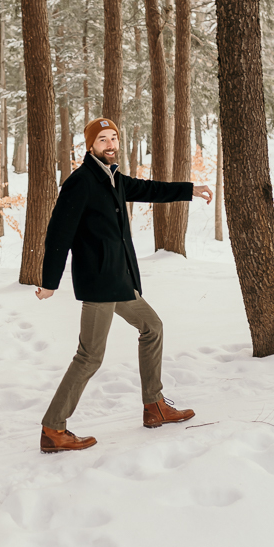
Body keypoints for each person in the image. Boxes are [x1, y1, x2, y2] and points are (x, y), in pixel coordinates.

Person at [36, 117, 212, 453]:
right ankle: (54, 428)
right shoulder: (81, 182)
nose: (110, 144)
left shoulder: (112, 178)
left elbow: (150, 189)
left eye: (113, 138)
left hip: (118, 279)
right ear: (90, 146)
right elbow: (58, 234)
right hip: (101, 282)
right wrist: (49, 281)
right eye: (102, 139)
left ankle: (154, 406)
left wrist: (190, 189)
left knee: (152, 327)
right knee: (89, 357)